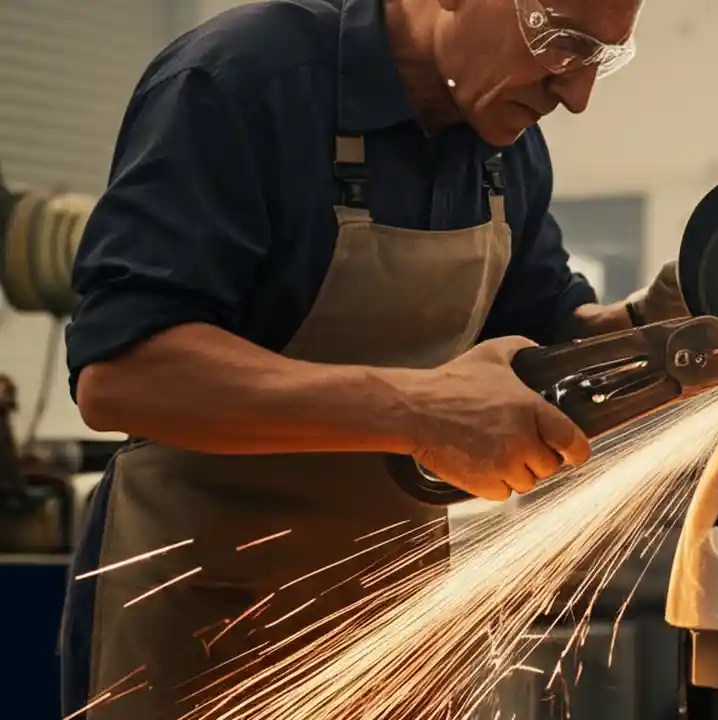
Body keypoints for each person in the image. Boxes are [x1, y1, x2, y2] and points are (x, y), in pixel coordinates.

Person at [58, 0, 685, 716]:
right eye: (561, 42)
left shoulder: (503, 150)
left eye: (600, 59)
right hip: (203, 614)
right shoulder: (243, 80)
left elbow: (540, 340)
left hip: (390, 620)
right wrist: (420, 411)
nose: (576, 95)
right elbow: (122, 374)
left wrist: (648, 328)